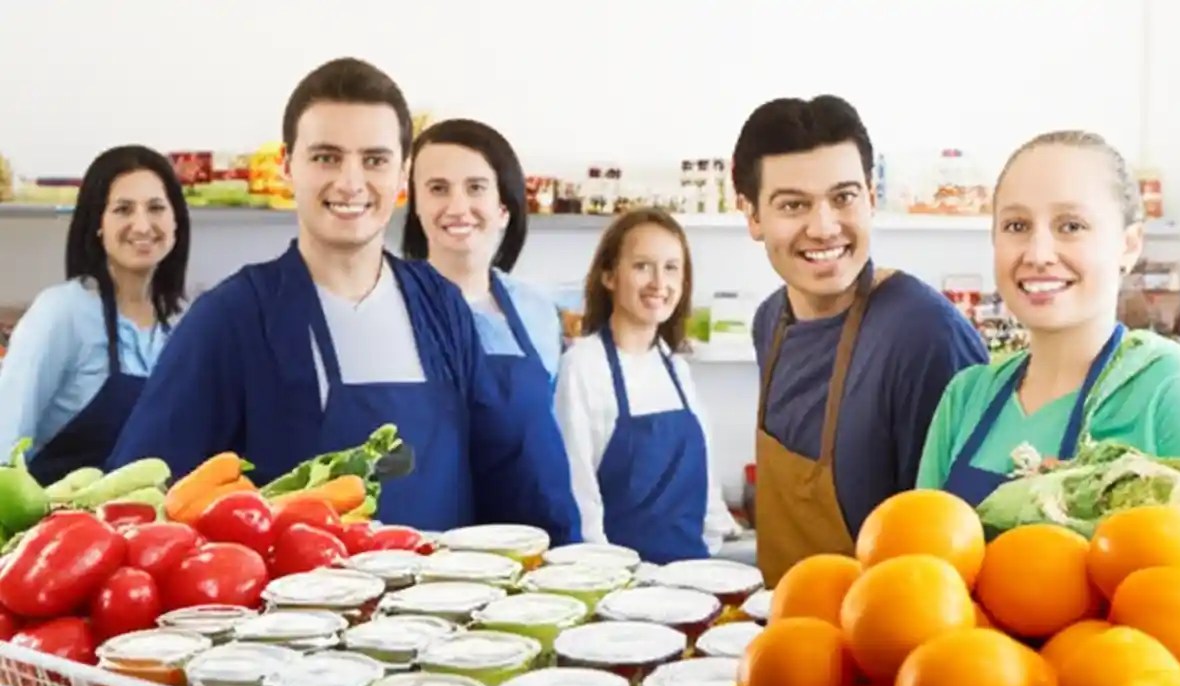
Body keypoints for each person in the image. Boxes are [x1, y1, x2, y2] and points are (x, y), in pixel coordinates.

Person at [108, 58, 566, 534]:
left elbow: (502, 470)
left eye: (375, 160)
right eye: (326, 157)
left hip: (440, 601)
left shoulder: (441, 306)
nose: (351, 183)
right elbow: (145, 499)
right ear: (288, 167)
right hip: (295, 606)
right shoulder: (232, 317)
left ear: (402, 173)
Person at [917, 130, 1180, 500]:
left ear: (1128, 246)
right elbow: (917, 551)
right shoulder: (967, 397)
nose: (1038, 253)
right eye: (1017, 226)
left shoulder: (1171, 394)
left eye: (1071, 226)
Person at [733, 95, 988, 586]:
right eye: (793, 204)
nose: (824, 226)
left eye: (844, 197)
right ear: (752, 215)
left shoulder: (922, 335)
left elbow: (960, 543)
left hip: (888, 645)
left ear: (871, 197)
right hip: (785, 635)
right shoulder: (771, 322)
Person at [402, 118, 580, 544]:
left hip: (539, 546)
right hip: (435, 551)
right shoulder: (391, 306)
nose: (457, 206)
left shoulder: (536, 310)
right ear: (416, 206)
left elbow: (548, 436)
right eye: (438, 188)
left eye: (476, 187)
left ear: (504, 207)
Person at [554, 208, 741, 564]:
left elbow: (706, 485)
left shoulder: (676, 369)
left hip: (691, 571)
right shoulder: (583, 366)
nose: (659, 282)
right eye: (642, 266)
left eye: (672, 268)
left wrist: (716, 545)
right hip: (622, 586)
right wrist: (608, 576)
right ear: (609, 276)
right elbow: (579, 494)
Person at [0, 145, 189, 484]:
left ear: (176, 220)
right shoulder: (62, 313)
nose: (142, 225)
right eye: (123, 209)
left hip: (149, 528)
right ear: (98, 223)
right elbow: (4, 441)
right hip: (57, 528)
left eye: (156, 208)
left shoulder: (181, 325)